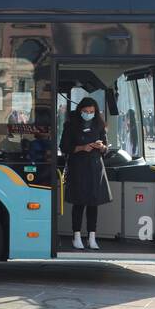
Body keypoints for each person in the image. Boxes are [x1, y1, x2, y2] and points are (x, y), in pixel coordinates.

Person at [60, 98, 112, 249]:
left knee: (93, 203)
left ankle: (92, 237)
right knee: (79, 202)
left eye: (91, 112)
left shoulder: (99, 125)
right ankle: (76, 236)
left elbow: (106, 149)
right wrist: (82, 147)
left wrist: (101, 147)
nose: (88, 114)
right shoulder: (71, 126)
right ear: (80, 111)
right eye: (85, 112)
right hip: (78, 167)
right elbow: (64, 147)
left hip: (95, 168)